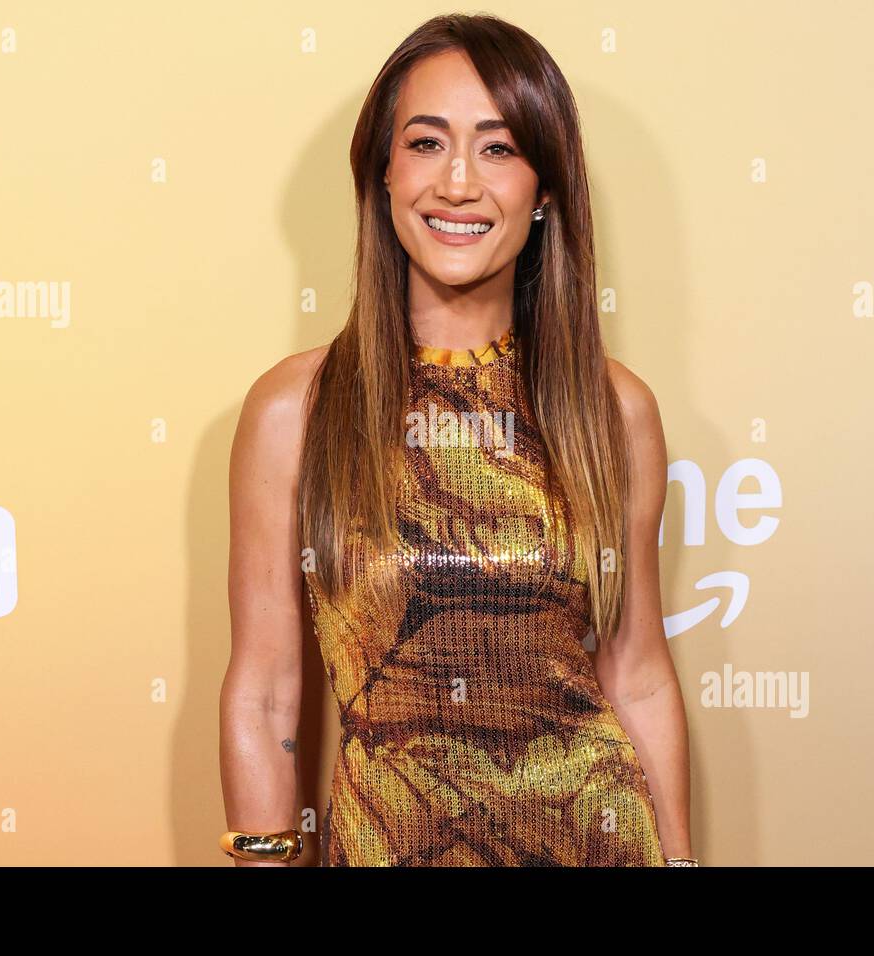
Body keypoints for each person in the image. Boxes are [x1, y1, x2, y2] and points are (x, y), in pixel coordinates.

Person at [220, 12, 694, 867]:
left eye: (500, 148)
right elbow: (264, 693)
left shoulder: (613, 411)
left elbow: (639, 674)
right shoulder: (295, 409)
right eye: (428, 143)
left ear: (545, 187)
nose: (459, 183)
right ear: (383, 170)